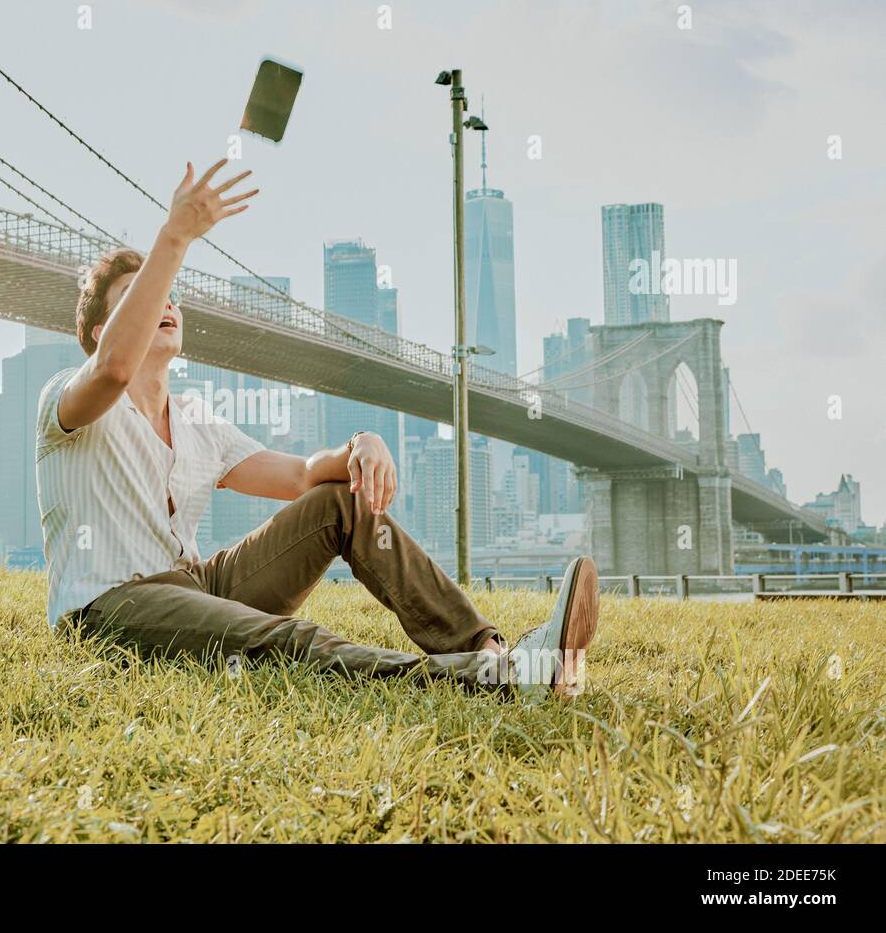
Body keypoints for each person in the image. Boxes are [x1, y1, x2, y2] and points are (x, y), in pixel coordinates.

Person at [35, 159, 598, 698]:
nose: (165, 302)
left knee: (341, 504)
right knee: (288, 641)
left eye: (169, 295)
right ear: (100, 331)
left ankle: (488, 650)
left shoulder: (196, 421)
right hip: (110, 607)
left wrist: (362, 444)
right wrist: (175, 239)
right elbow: (113, 368)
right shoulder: (67, 399)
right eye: (143, 297)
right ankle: (499, 682)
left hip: (199, 587)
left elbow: (305, 477)